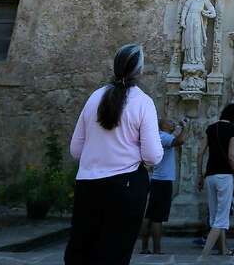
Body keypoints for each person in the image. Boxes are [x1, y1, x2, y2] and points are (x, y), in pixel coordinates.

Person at [65, 44, 162, 265]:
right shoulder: (143, 102)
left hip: (87, 186)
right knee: (114, 252)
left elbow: (76, 150)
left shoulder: (94, 98)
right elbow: (152, 156)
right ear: (140, 71)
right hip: (125, 187)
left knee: (81, 251)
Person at [197, 102, 234, 256]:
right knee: (221, 219)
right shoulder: (233, 129)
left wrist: (200, 174)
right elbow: (232, 156)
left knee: (215, 216)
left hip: (210, 176)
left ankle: (223, 250)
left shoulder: (211, 128)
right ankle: (203, 256)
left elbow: (200, 152)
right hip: (225, 176)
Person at [139, 117, 187, 255]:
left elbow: (173, 138)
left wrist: (177, 131)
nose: (172, 123)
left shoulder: (159, 137)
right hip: (163, 182)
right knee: (157, 217)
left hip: (156, 180)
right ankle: (157, 250)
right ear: (163, 125)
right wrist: (185, 128)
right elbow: (180, 141)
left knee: (149, 215)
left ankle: (144, 247)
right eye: (170, 122)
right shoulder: (164, 137)